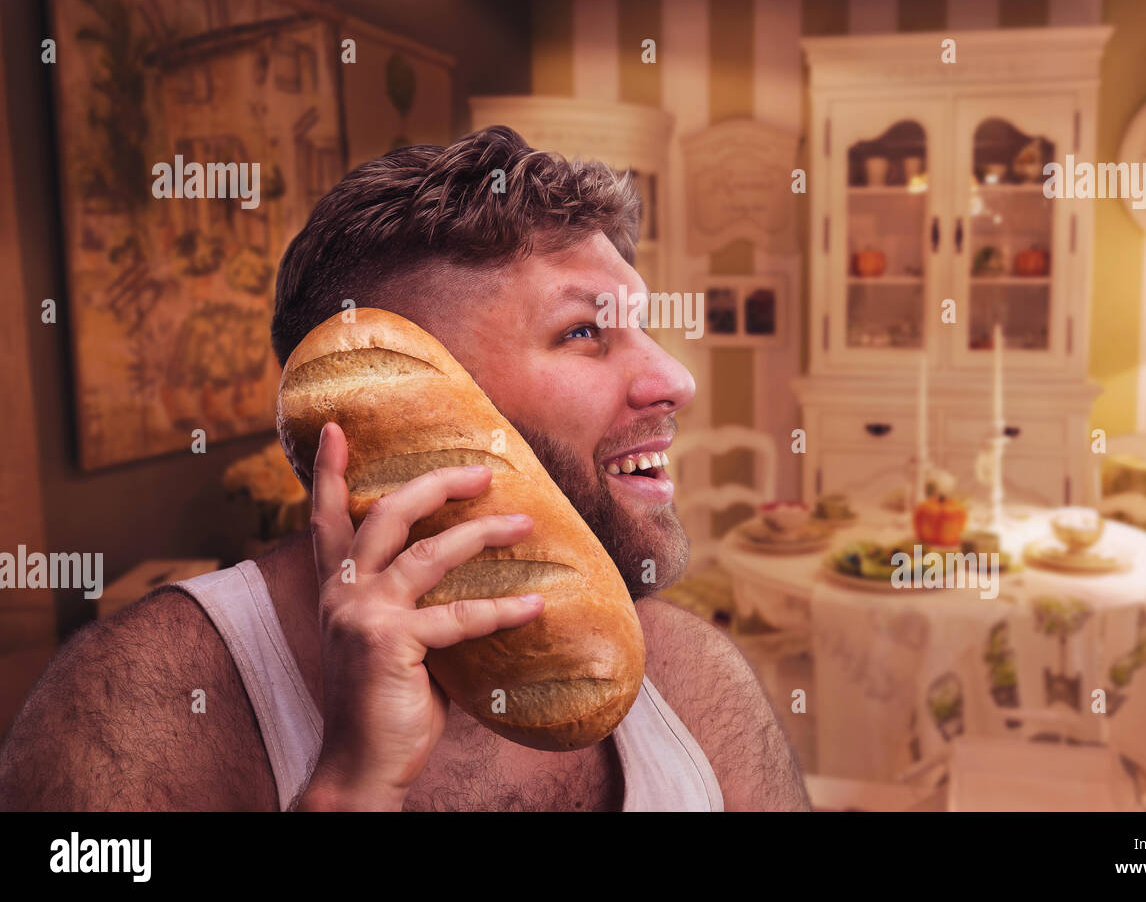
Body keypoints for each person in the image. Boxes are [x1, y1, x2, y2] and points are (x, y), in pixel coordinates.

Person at [0, 126, 809, 812]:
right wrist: (349, 790)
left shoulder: (695, 680)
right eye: (582, 334)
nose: (676, 380)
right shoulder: (137, 703)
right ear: (393, 401)